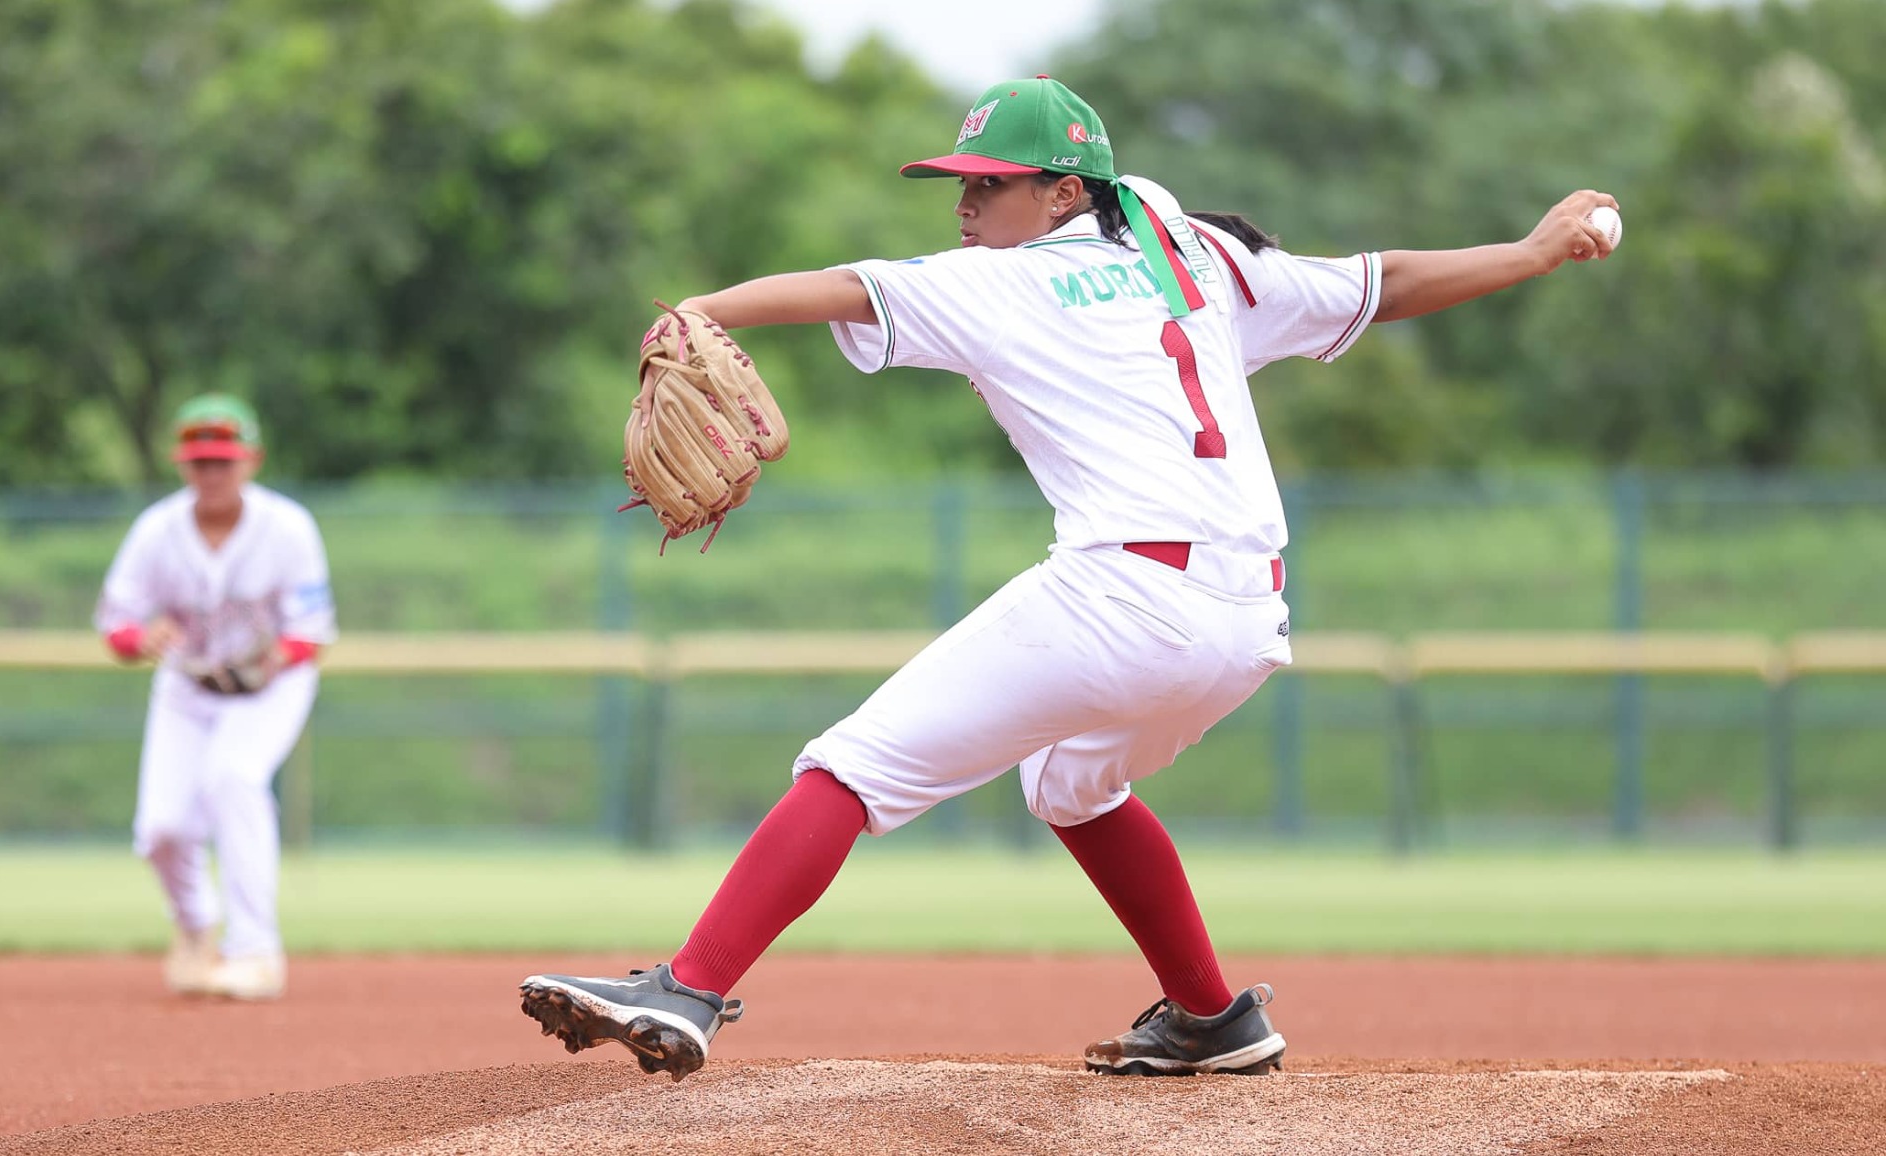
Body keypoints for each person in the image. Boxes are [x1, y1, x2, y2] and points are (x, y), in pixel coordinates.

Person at [520, 76, 1617, 1079]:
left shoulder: (1010, 283)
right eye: (961, 184)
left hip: (1124, 597)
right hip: (1247, 621)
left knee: (855, 764)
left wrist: (698, 310)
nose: (965, 205)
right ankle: (1213, 1018)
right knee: (1071, 785)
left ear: (1061, 193)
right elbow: (1381, 283)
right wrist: (1529, 253)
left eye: (990, 185)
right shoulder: (1199, 259)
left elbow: (842, 289)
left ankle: (689, 988)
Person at [95, 394, 336, 1000]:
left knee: (232, 778)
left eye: (224, 460)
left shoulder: (287, 527)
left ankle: (255, 952)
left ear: (252, 459)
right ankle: (196, 927)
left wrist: (274, 657)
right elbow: (116, 624)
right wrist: (140, 638)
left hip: (267, 690)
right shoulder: (157, 530)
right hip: (186, 686)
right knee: (161, 828)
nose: (212, 472)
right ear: (183, 464)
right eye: (201, 461)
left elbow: (312, 632)